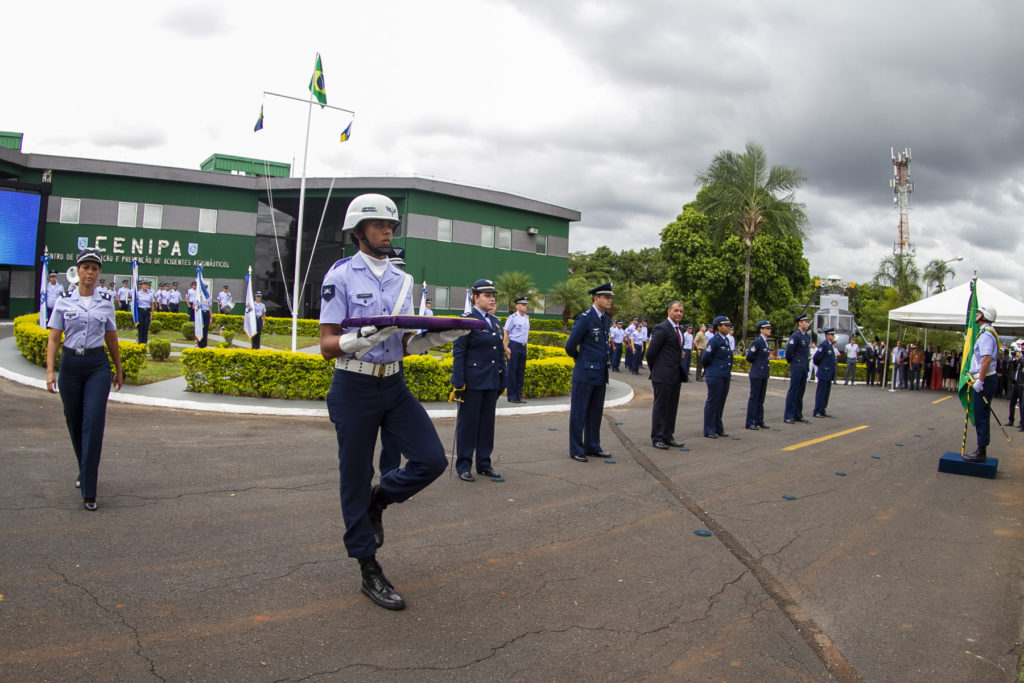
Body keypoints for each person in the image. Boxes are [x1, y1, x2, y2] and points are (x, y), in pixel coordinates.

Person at [319, 193, 457, 611]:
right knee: (355, 477)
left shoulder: (403, 280)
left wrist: (435, 338)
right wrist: (359, 338)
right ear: (358, 232)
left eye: (391, 226)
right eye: (379, 225)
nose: (387, 231)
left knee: (432, 460)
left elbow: (404, 344)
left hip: (393, 386)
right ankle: (367, 566)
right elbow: (326, 345)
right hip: (354, 386)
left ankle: (381, 500)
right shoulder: (340, 276)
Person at [45, 248, 124, 512]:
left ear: (98, 273)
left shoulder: (106, 302)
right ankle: (83, 467)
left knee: (93, 420)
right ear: (77, 270)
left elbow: (111, 337)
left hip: (97, 366)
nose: (90, 272)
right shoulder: (64, 301)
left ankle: (90, 490)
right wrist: (49, 371)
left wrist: (118, 369)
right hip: (70, 366)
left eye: (94, 268)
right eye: (85, 267)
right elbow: (54, 337)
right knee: (75, 421)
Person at [451, 279, 506, 481]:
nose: (492, 299)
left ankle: (484, 463)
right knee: (468, 425)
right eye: (487, 295)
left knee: (486, 424)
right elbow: (459, 352)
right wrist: (459, 382)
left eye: (493, 296)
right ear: (475, 297)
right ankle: (464, 465)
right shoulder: (467, 319)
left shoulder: (495, 321)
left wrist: (503, 378)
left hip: (491, 380)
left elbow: (499, 352)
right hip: (472, 382)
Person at [564, 282, 614, 462]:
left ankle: (593, 445)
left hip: (600, 374)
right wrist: (578, 357)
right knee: (579, 413)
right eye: (606, 297)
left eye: (610, 297)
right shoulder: (585, 318)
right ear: (596, 298)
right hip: (584, 374)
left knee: (595, 413)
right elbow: (569, 346)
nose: (610, 300)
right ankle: (576, 449)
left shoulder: (605, 319)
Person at [646, 301, 685, 449]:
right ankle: (657, 437)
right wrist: (656, 369)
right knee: (661, 407)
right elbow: (651, 353)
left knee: (672, 407)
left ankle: (668, 436)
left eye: (681, 311)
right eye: (676, 310)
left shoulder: (679, 330)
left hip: (675, 375)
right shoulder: (662, 328)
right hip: (662, 375)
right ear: (668, 312)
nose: (679, 313)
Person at [964, 306, 999, 462]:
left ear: (986, 316)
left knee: (981, 415)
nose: (976, 315)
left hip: (985, 380)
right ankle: (981, 448)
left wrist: (980, 381)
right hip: (985, 379)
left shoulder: (986, 335)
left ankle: (981, 451)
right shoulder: (987, 333)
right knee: (981, 414)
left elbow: (986, 359)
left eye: (979, 313)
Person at [701, 315, 734, 438]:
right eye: (726, 325)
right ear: (718, 327)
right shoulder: (715, 340)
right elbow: (705, 359)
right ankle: (709, 429)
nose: (728, 327)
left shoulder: (726, 340)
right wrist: (712, 370)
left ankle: (718, 427)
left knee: (721, 402)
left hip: (724, 375)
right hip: (715, 375)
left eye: (729, 325)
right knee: (713, 402)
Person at [783, 314, 812, 424]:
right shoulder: (795, 336)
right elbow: (789, 353)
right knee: (793, 391)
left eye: (807, 321)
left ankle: (797, 414)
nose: (807, 323)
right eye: (805, 321)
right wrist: (793, 363)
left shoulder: (806, 336)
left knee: (800, 392)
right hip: (796, 366)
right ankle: (788, 415)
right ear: (800, 323)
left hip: (804, 366)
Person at [745, 320, 772, 430]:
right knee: (754, 398)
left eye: (770, 328)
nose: (769, 330)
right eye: (767, 328)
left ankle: (759, 420)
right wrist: (757, 364)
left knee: (761, 398)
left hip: (763, 373)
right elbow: (749, 356)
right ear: (761, 329)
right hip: (757, 373)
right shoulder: (757, 341)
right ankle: (750, 421)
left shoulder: (765, 341)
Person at [503, 295, 530, 404]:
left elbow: (525, 334)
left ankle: (518, 395)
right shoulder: (512, 317)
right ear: (517, 306)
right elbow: (506, 332)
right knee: (512, 371)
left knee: (520, 372)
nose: (525, 307)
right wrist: (506, 347)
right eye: (523, 305)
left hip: (523, 347)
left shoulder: (527, 318)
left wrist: (526, 346)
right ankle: (512, 396)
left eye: (526, 305)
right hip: (514, 346)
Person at [813, 328, 837, 418]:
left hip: (829, 373)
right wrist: (822, 367)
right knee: (821, 392)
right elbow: (816, 358)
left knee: (826, 393)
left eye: (833, 335)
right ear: (827, 335)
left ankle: (822, 409)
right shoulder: (824, 345)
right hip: (824, 372)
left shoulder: (830, 345)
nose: (833, 336)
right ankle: (817, 410)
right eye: (831, 335)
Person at [1006, 348, 1023, 429]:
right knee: (1012, 402)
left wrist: (1020, 357)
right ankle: (1011, 420)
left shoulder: (1022, 359)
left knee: (1021, 404)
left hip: (1021, 384)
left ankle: (1021, 421)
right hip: (1016, 382)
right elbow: (1012, 364)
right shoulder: (1018, 360)